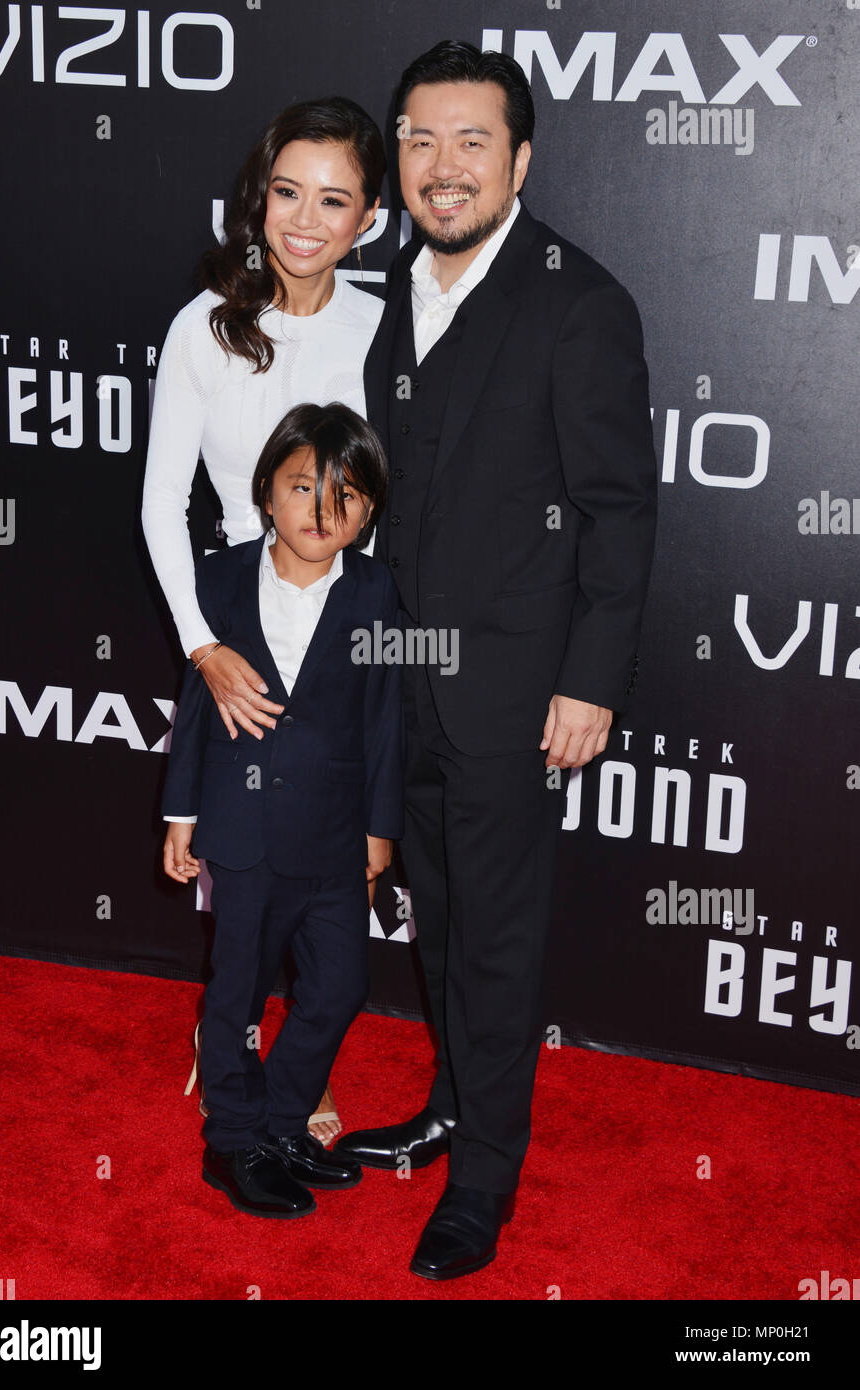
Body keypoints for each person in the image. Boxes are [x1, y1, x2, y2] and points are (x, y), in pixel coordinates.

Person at [335, 41, 658, 1279]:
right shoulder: (392, 297)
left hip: (520, 691)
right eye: (418, 139)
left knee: (495, 938)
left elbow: (619, 508)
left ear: (520, 159)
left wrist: (589, 680)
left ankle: (482, 1184)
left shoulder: (580, 301)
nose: (441, 164)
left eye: (471, 140)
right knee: (440, 918)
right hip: (404, 680)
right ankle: (449, 1107)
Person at [142, 96, 387, 1144]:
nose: (303, 218)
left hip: (348, 617)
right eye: (286, 190)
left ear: (369, 218)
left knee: (329, 863)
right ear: (258, 193)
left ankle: (292, 1062)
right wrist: (203, 646)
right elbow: (162, 504)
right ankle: (225, 1039)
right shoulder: (203, 323)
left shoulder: (388, 323)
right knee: (245, 868)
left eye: (333, 200)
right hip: (238, 616)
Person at [160, 402, 404, 1218]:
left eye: (347, 496)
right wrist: (182, 814)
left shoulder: (378, 593)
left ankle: (279, 1121)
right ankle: (233, 1143)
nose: (322, 511)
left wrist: (379, 831)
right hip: (240, 827)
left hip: (335, 837)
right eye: (303, 487)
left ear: (369, 514)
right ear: (267, 491)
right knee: (237, 994)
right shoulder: (221, 577)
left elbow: (384, 719)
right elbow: (195, 707)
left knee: (338, 987)